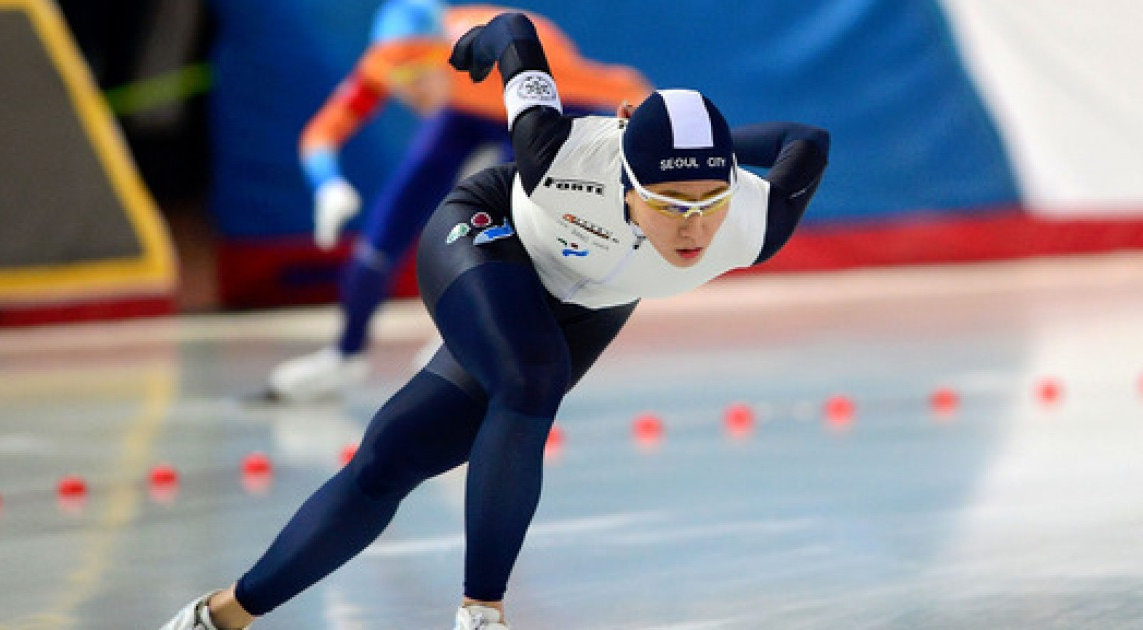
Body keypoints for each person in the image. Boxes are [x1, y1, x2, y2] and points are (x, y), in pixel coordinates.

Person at [162, 11, 829, 630]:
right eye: (668, 201)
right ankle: (481, 612)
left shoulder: (754, 221)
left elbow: (808, 138)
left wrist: (705, 153)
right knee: (532, 377)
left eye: (710, 199)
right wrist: (482, 41)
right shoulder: (561, 158)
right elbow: (514, 36)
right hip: (488, 232)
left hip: (587, 302)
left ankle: (219, 616)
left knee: (390, 459)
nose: (695, 227)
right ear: (625, 182)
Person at [267, 0, 652, 401]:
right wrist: (327, 184)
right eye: (400, 81)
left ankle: (468, 337)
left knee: (502, 223)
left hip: (535, 107)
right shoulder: (389, 60)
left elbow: (628, 86)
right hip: (462, 111)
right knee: (390, 220)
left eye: (419, 76)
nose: (412, 93)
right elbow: (321, 134)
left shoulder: (517, 67)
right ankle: (345, 353)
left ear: (444, 58)